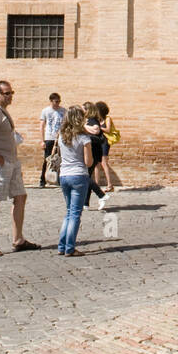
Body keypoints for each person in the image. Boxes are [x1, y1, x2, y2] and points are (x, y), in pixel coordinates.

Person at [0, 80, 41, 255]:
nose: (10, 96)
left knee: (20, 196)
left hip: (11, 162)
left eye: (11, 92)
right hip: (1, 163)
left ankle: (18, 239)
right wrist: (0, 160)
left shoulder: (3, 112)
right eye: (7, 93)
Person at [56, 105, 94, 257]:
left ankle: (61, 246)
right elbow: (88, 162)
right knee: (75, 214)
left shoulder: (61, 136)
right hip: (79, 175)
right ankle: (70, 248)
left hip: (64, 175)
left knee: (69, 212)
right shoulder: (84, 138)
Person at [83, 102, 109, 209]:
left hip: (93, 151)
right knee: (87, 176)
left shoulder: (92, 119)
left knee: (85, 176)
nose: (82, 111)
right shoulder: (88, 120)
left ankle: (101, 195)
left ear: (87, 110)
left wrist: (83, 126)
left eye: (83, 109)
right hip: (91, 150)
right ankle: (85, 203)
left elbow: (96, 130)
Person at [39, 92, 65, 187]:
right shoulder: (46, 111)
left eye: (59, 101)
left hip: (61, 138)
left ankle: (59, 179)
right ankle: (43, 180)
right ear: (51, 101)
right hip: (49, 138)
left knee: (61, 159)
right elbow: (42, 125)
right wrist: (42, 140)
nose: (58, 103)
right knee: (48, 159)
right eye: (56, 101)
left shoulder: (63, 111)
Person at [95, 101, 120, 192]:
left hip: (105, 142)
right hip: (98, 141)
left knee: (104, 162)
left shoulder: (107, 118)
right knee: (96, 163)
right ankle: (96, 185)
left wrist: (98, 128)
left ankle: (110, 185)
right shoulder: (96, 119)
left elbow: (108, 130)